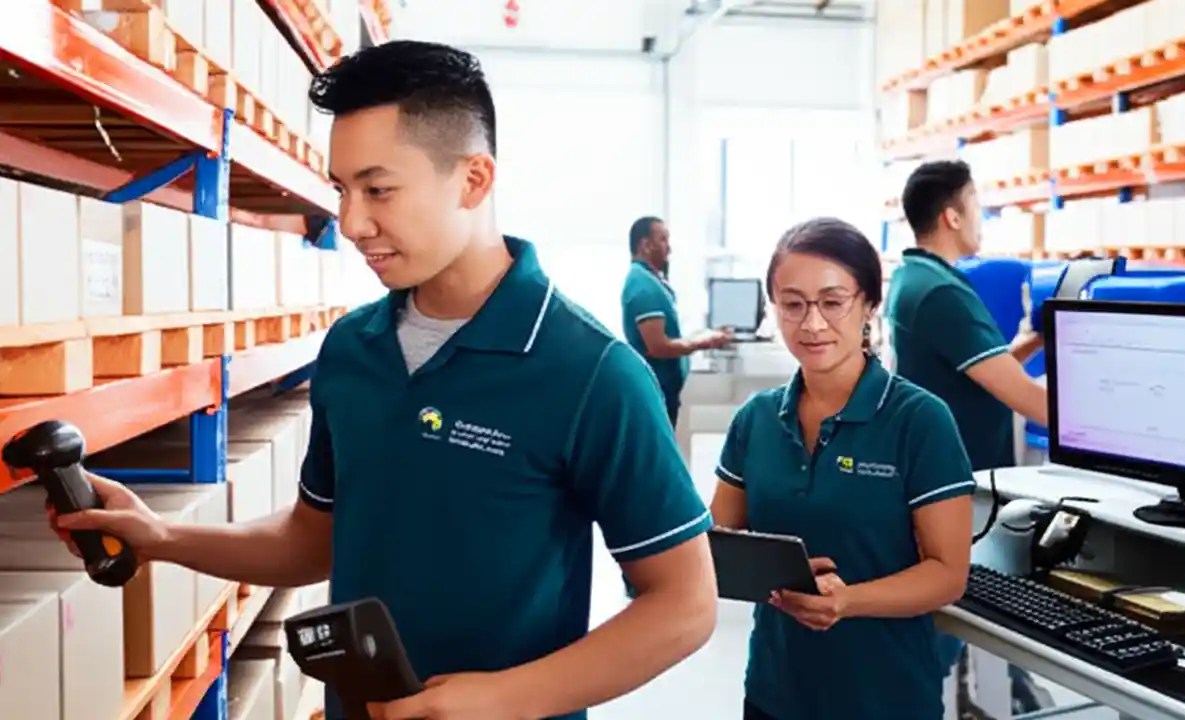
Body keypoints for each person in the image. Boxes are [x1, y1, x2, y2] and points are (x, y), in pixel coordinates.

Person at [49, 41, 717, 720]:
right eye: (341, 189)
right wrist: (162, 538)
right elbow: (315, 538)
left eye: (379, 189)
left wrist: (500, 700)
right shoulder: (352, 350)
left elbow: (685, 604)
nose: (351, 223)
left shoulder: (590, 371)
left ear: (474, 180)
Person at [709, 217, 975, 720]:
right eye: (793, 304)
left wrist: (846, 600)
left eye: (832, 302)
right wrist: (771, 574)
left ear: (870, 305)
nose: (812, 323)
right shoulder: (757, 420)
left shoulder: (918, 420)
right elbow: (718, 546)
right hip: (775, 692)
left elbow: (947, 575)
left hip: (883, 698)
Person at [884, 159, 1052, 713]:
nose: (983, 217)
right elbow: (1027, 400)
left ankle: (988, 692)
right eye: (977, 204)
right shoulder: (943, 295)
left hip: (942, 477)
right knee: (947, 625)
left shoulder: (916, 278)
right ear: (953, 214)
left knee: (952, 622)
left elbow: (976, 367)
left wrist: (1028, 342)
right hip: (962, 485)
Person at [622, 216, 731, 426]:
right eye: (662, 240)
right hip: (655, 391)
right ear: (645, 245)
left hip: (663, 391)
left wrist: (703, 335)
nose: (668, 248)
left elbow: (668, 337)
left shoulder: (650, 281)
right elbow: (659, 346)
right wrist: (703, 343)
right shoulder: (643, 286)